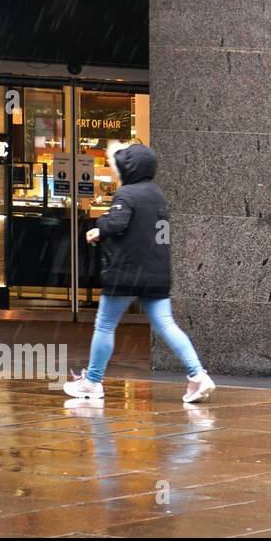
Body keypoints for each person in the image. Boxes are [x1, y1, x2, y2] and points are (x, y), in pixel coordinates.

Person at [63, 143, 215, 403]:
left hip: (126, 274)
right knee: (167, 325)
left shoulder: (127, 194)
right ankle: (198, 375)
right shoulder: (158, 195)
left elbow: (118, 223)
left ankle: (93, 382)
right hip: (156, 274)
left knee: (105, 325)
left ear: (128, 168)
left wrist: (99, 228)